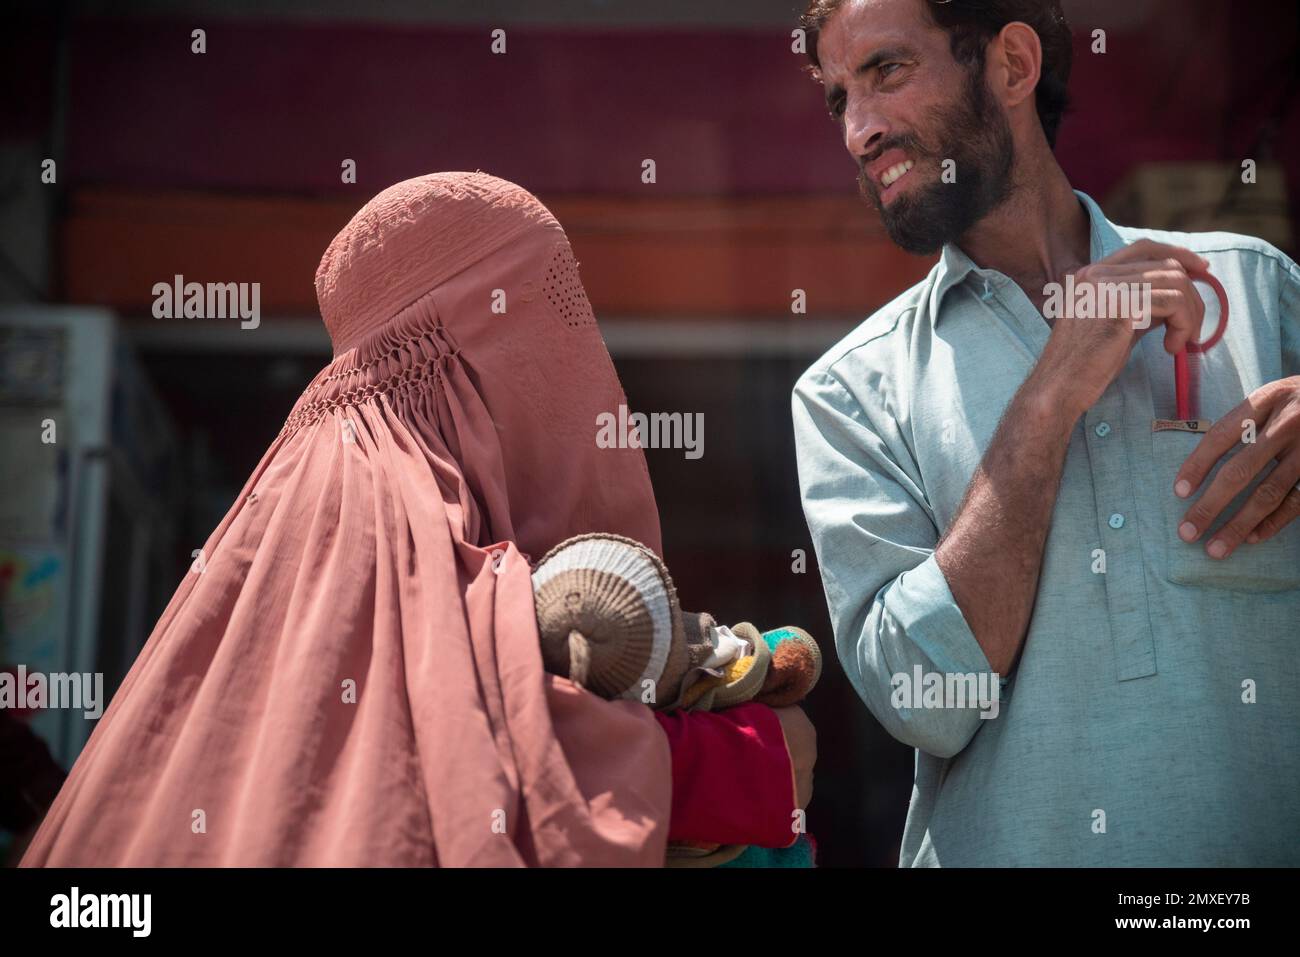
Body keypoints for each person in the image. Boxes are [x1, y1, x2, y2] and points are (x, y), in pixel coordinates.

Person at [21, 171, 813, 866]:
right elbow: (523, 773)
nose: (585, 372)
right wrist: (759, 757)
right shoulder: (432, 555)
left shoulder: (264, 526)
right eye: (554, 321)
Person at [792, 0, 1300, 865]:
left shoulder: (1255, 292)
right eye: (839, 97)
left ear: (1014, 66)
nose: (858, 131)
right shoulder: (848, 395)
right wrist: (1052, 390)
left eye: (885, 72)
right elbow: (927, 702)